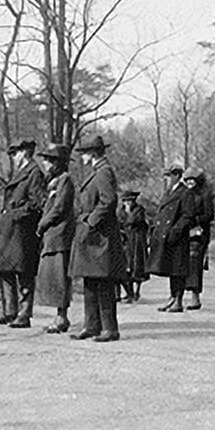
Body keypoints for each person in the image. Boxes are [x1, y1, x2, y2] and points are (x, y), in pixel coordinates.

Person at [67, 134, 128, 342]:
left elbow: (109, 201)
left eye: (83, 153)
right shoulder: (97, 171)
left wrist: (91, 222)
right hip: (93, 237)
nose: (82, 156)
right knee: (90, 281)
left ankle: (110, 329)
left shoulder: (104, 172)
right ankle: (92, 326)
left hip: (100, 237)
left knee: (103, 283)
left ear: (92, 153)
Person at [0, 138, 46, 329]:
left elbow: (38, 205)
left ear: (25, 152)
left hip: (23, 231)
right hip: (10, 230)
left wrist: (14, 214)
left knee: (24, 273)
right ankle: (9, 311)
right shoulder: (21, 172)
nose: (13, 157)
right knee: (4, 269)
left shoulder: (35, 173)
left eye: (15, 153)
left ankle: (24, 314)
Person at [34, 143, 75, 333]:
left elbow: (59, 208)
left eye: (48, 160)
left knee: (60, 277)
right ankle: (59, 316)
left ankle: (62, 317)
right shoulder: (53, 182)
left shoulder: (65, 181)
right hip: (52, 236)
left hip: (60, 236)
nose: (45, 163)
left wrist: (42, 224)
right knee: (52, 277)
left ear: (56, 162)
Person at [146, 164, 195, 312]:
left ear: (177, 176)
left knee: (177, 269)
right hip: (165, 236)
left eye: (170, 176)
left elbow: (188, 215)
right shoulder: (168, 192)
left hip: (177, 237)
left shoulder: (185, 192)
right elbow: (160, 213)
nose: (168, 179)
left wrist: (175, 231)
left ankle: (178, 300)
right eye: (166, 176)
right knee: (171, 268)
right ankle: (173, 297)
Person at [183, 167, 215, 310]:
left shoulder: (205, 195)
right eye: (188, 180)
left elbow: (209, 215)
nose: (190, 182)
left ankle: (195, 297)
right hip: (184, 232)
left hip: (198, 233)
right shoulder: (185, 194)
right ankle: (177, 297)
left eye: (192, 180)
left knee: (195, 264)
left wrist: (194, 220)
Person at [119, 190, 150, 303]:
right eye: (125, 201)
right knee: (126, 267)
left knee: (137, 267)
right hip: (126, 242)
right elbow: (119, 224)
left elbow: (134, 221)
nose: (127, 203)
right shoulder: (120, 211)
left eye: (129, 201)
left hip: (137, 241)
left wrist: (128, 214)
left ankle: (137, 291)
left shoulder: (139, 210)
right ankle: (129, 292)